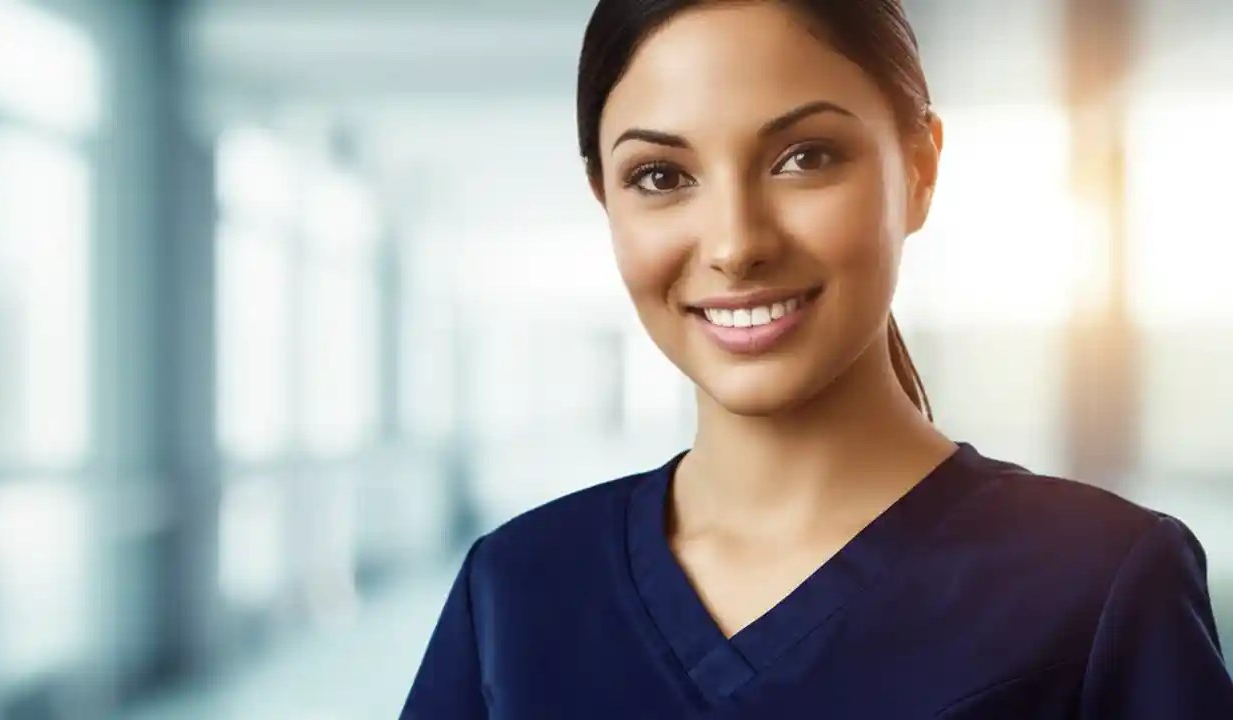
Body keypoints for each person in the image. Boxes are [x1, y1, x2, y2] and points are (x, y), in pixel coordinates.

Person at [400, 1, 1233, 717]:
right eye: (659, 175)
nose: (735, 245)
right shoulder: (516, 591)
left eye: (805, 158)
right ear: (605, 201)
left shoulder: (1102, 583)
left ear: (920, 167)